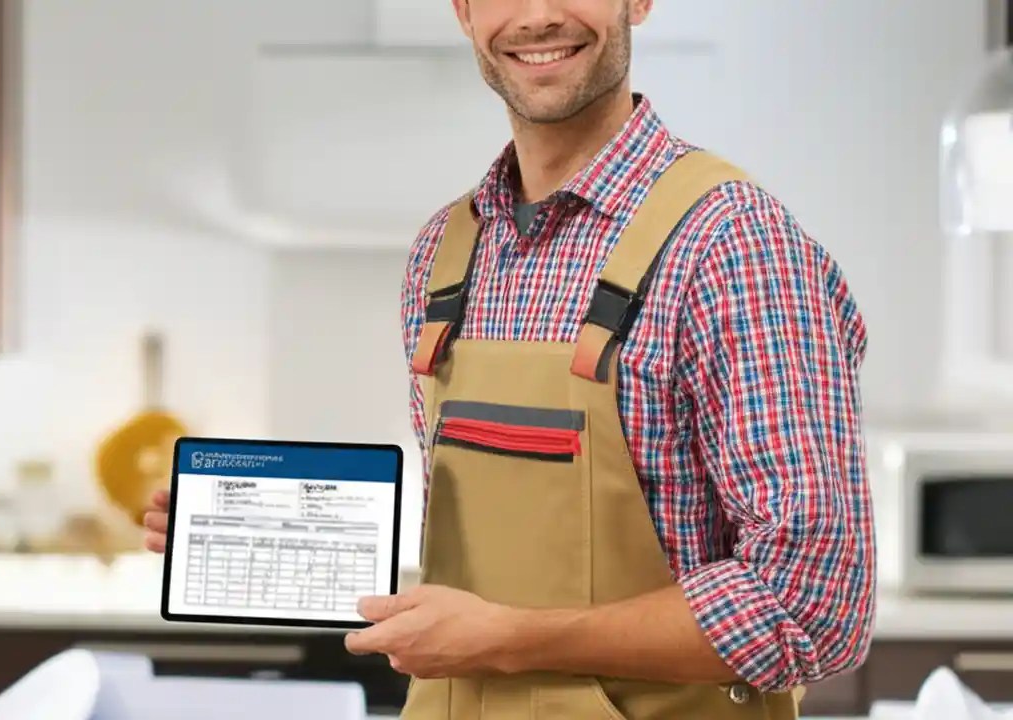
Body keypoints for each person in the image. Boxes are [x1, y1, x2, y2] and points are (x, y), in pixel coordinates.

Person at [144, 0, 875, 717]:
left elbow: (811, 603)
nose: (537, 15)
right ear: (463, 11)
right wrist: (250, 538)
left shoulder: (734, 245)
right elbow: (481, 568)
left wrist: (508, 640)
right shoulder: (447, 251)